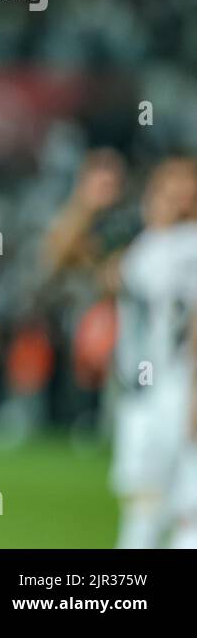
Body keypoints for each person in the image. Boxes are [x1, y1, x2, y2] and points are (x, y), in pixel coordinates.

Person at [110, 157, 197, 548]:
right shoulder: (150, 244)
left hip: (175, 383)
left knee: (177, 510)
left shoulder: (178, 245)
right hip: (149, 388)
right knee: (151, 506)